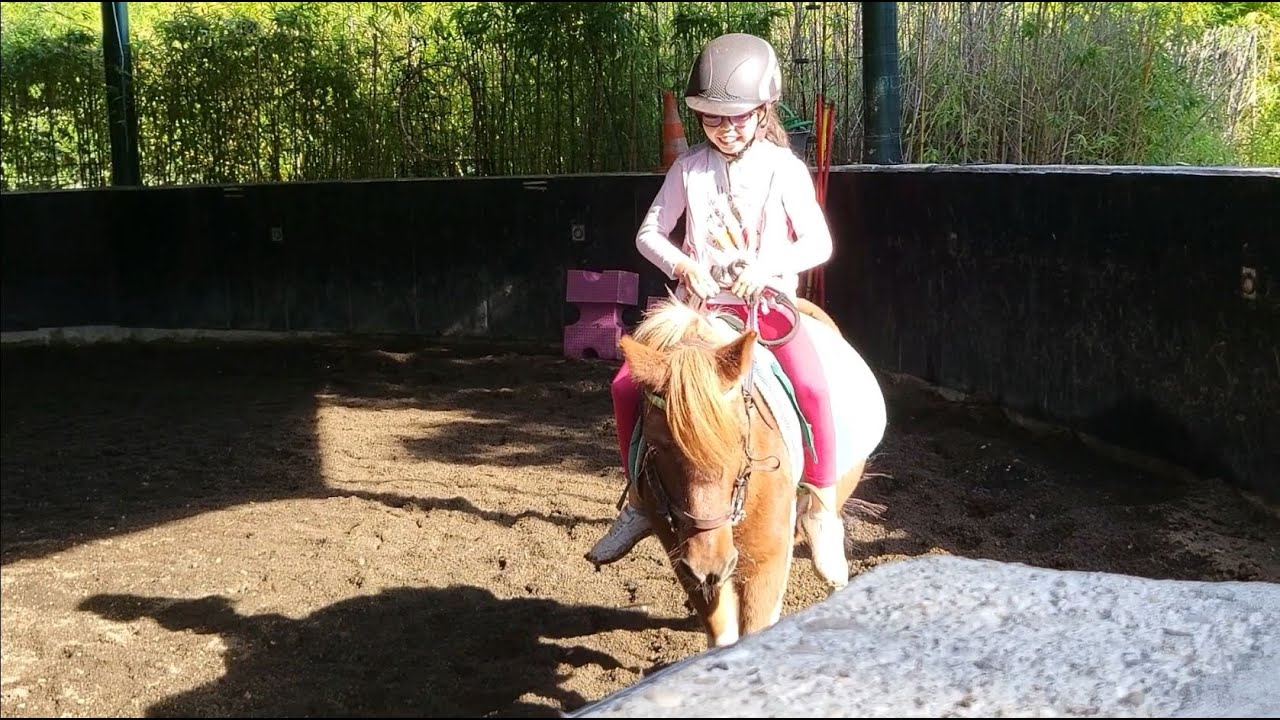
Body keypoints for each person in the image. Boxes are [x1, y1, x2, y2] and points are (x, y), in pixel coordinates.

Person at [585, 32, 847, 585]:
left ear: (763, 110)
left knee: (815, 386)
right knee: (627, 385)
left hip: (766, 310)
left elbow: (818, 243)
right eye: (711, 119)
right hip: (697, 314)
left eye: (737, 118)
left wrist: (768, 265)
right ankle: (637, 500)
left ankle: (820, 508)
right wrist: (684, 266)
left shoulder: (784, 169)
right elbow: (650, 233)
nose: (724, 129)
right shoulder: (688, 170)